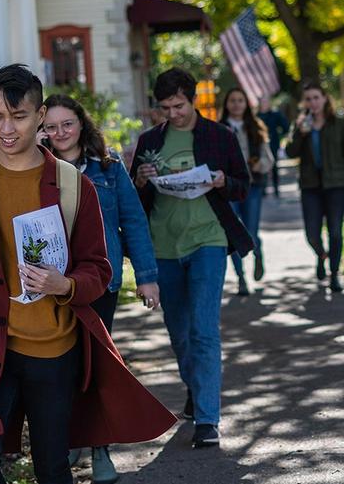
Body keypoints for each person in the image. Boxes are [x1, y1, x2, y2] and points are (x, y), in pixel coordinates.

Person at [0, 64, 175, 484]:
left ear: (40, 118)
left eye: (18, 117)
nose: (6, 128)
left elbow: (99, 268)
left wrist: (66, 285)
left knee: (53, 469)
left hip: (54, 351)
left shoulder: (75, 185)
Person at [129, 68, 253, 448]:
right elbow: (136, 203)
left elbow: (242, 187)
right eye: (165, 107)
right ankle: (194, 388)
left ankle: (208, 419)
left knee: (203, 329)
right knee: (179, 332)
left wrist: (221, 181)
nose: (173, 114)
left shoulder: (220, 136)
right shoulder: (150, 140)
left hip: (208, 242)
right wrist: (141, 180)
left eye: (179, 106)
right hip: (164, 246)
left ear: (193, 99)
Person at [41, 94, 160, 483]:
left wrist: (146, 276)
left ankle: (100, 448)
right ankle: (72, 436)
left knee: (95, 365)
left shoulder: (108, 170)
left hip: (99, 284)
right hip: (51, 285)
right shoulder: (36, 169)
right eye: (52, 126)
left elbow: (134, 221)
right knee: (62, 368)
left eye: (67, 124)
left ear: (82, 125)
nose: (59, 133)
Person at [286, 81, 344, 293]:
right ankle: (321, 255)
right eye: (308, 99)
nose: (313, 102)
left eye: (316, 98)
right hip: (310, 185)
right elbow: (290, 152)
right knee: (312, 233)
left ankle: (334, 274)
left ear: (324, 99)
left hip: (337, 184)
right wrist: (300, 133)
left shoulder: (337, 123)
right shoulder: (301, 124)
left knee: (335, 231)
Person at [218, 88, 273, 296]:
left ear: (246, 104)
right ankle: (241, 278)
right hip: (228, 188)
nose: (236, 104)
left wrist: (259, 165)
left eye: (240, 100)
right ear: (227, 104)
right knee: (232, 232)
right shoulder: (218, 129)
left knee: (251, 230)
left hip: (252, 187)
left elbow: (269, 159)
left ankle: (258, 254)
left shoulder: (257, 128)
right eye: (232, 100)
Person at [257, 97, 290, 197]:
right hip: (260, 145)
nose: (264, 104)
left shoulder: (275, 115)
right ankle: (263, 189)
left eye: (266, 101)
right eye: (263, 102)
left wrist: (279, 135)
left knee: (274, 165)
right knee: (262, 166)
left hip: (273, 144)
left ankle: (276, 189)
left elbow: (285, 126)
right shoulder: (256, 116)